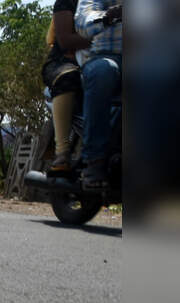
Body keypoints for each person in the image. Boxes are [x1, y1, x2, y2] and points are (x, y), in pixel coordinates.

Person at [75, 0, 121, 189]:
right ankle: (94, 162)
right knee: (103, 71)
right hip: (108, 55)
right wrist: (107, 16)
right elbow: (83, 19)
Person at [42, 0, 91, 173]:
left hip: (102, 58)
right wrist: (102, 38)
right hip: (63, 61)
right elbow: (64, 40)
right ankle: (62, 152)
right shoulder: (67, 1)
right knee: (68, 77)